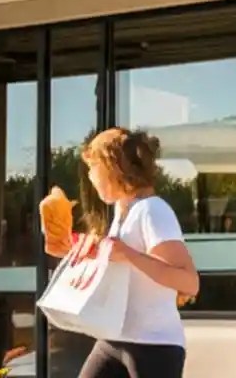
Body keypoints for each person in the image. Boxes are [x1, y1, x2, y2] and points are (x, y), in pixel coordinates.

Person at [43, 127, 199, 378]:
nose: (91, 177)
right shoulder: (122, 211)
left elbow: (189, 282)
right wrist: (72, 248)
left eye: (93, 168)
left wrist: (127, 254)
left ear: (113, 169)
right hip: (114, 338)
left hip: (154, 347)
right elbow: (120, 264)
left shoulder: (153, 211)